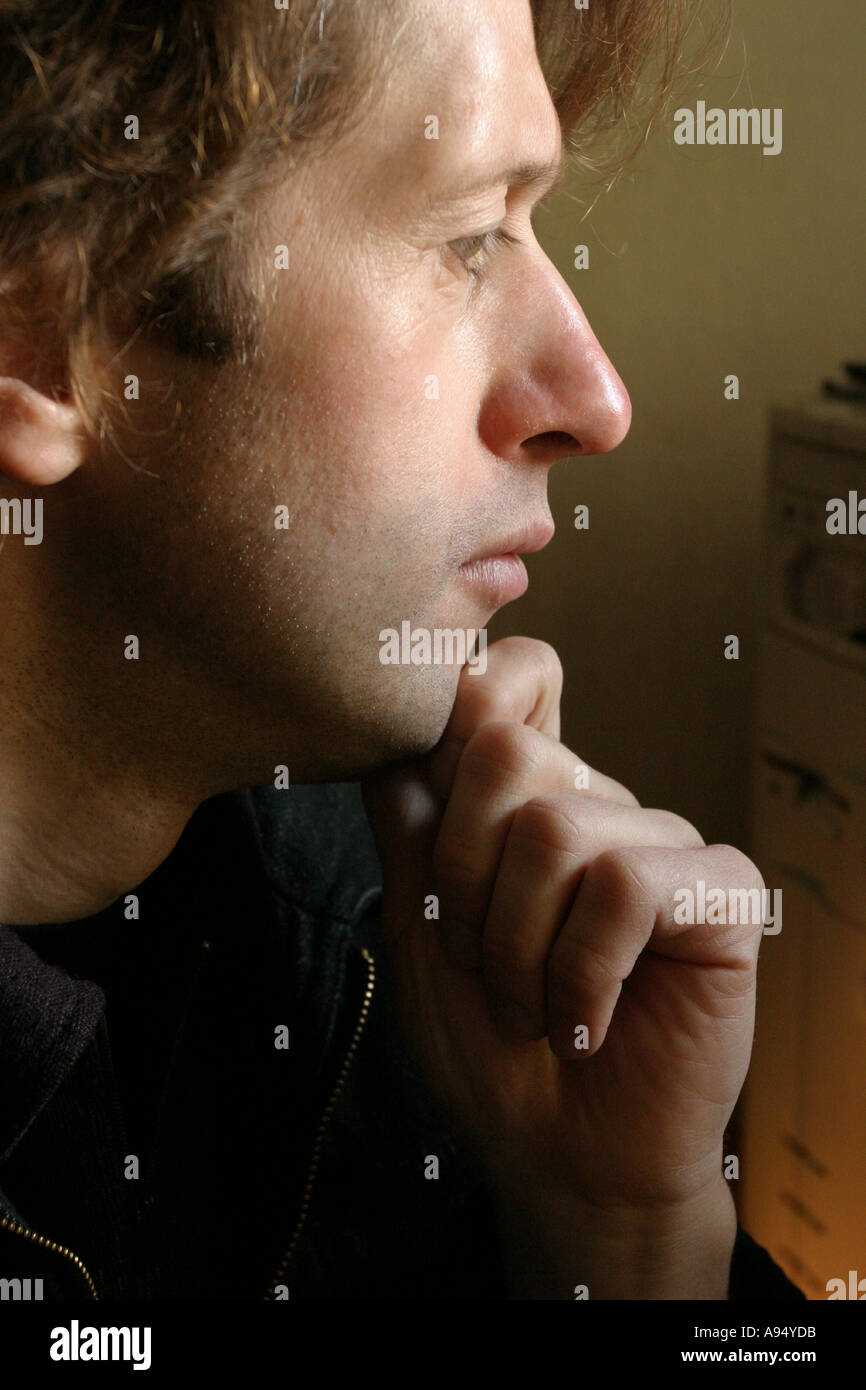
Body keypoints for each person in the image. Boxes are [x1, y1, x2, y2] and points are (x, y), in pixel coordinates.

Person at [0, 0, 804, 1300]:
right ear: (40, 341)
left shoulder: (429, 954)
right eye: (469, 235)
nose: (594, 402)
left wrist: (625, 1236)